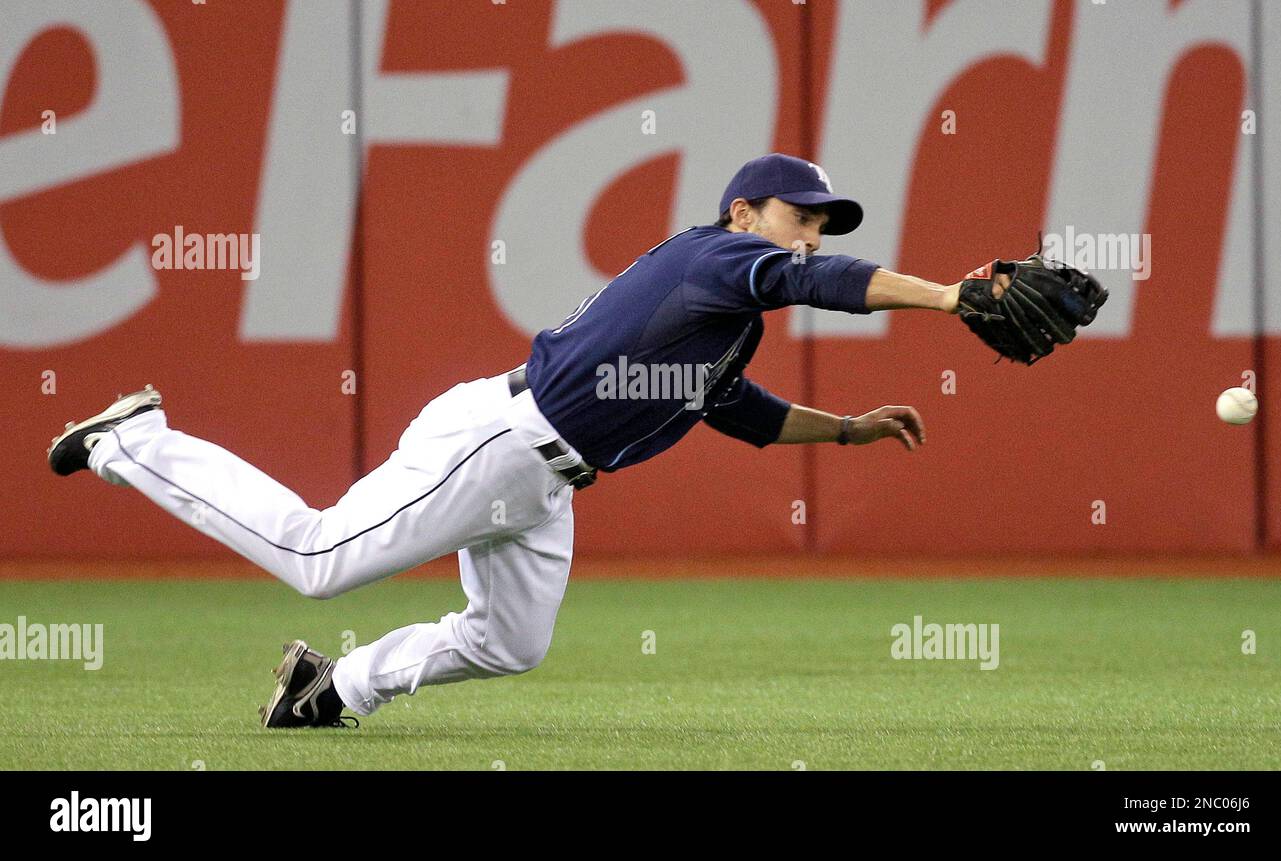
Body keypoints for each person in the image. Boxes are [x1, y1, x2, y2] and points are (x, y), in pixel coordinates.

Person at [46, 153, 1009, 728]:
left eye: (822, 224)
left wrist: (848, 431)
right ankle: (136, 441)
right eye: (802, 219)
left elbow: (737, 408)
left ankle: (330, 687)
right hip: (504, 440)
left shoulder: (723, 312)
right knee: (317, 555)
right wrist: (949, 294)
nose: (810, 236)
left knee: (510, 642)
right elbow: (817, 281)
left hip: (546, 483)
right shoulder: (717, 258)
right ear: (745, 212)